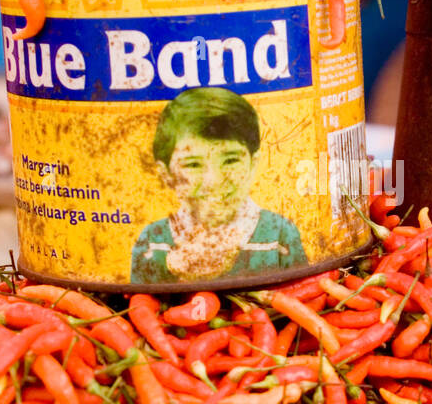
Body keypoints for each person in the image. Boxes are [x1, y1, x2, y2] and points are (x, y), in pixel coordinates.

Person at [130, 87, 306, 283]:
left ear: (253, 163)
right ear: (166, 175)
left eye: (230, 160)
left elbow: (302, 290)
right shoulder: (153, 241)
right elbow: (142, 304)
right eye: (193, 164)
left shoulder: (279, 233)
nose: (213, 181)